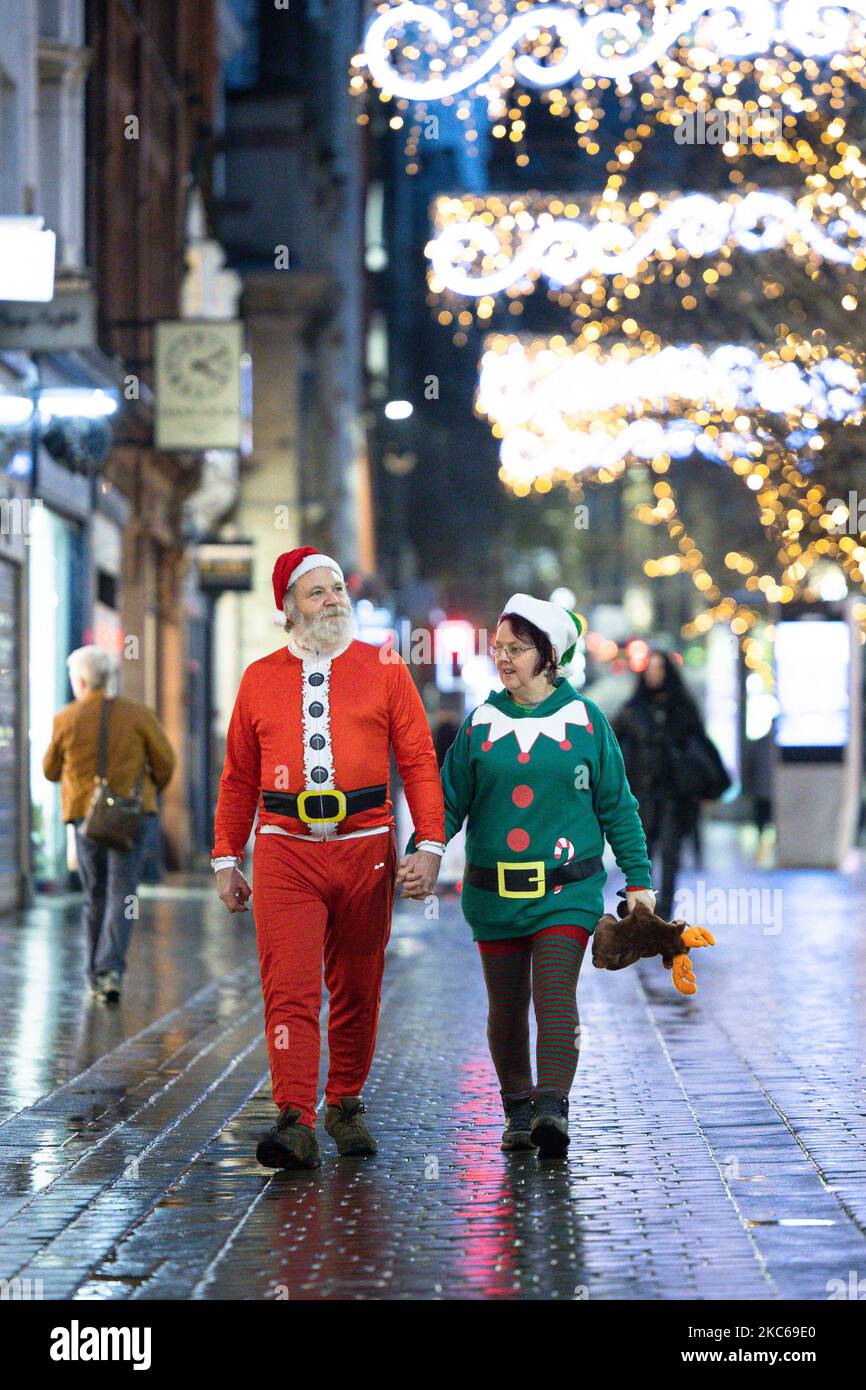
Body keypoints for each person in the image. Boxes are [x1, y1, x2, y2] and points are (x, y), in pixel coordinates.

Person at [212, 547, 445, 1171]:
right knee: (287, 988)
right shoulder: (259, 678)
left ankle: (344, 1099)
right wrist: (226, 857)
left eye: (337, 588)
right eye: (316, 592)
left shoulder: (386, 666)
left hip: (366, 848)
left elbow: (419, 759)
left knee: (357, 989)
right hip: (285, 853)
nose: (333, 600)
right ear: (287, 609)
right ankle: (295, 1117)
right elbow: (238, 778)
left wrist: (429, 845)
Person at [399, 595, 655, 1159]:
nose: (504, 659)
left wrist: (638, 882)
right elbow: (447, 803)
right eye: (499, 649)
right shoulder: (480, 725)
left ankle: (552, 1107)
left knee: (554, 992)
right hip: (492, 895)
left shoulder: (586, 721)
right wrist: (426, 852)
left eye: (516, 649)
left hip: (569, 890)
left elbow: (618, 805)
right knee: (506, 1007)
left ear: (548, 655)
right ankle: (517, 1106)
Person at [42, 645, 176, 1002]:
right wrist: (147, 791)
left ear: (82, 681)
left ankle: (93, 973)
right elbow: (165, 760)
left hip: (86, 818)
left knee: (94, 894)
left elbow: (49, 770)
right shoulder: (139, 714)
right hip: (133, 817)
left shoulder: (66, 718)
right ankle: (111, 969)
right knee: (124, 892)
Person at [613, 649, 718, 920]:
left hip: (674, 796)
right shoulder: (631, 710)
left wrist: (705, 786)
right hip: (641, 797)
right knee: (640, 858)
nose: (654, 673)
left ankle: (664, 915)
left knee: (670, 856)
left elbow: (700, 746)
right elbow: (610, 747)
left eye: (659, 668)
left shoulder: (683, 709)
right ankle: (641, 916)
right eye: (650, 668)